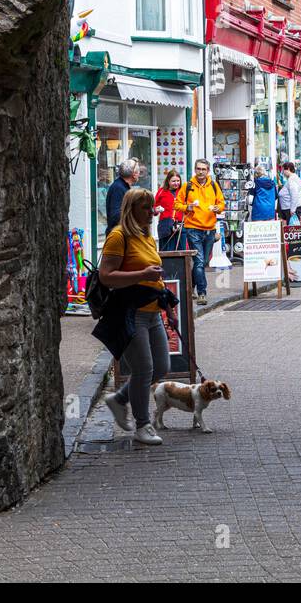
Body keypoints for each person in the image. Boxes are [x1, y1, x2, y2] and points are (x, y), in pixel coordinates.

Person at [97, 187, 168, 446]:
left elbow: (155, 274)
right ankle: (142, 425)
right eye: (145, 208)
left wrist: (166, 304)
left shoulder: (146, 235)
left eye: (152, 207)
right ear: (131, 210)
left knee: (162, 366)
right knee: (143, 369)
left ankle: (119, 399)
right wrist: (141, 275)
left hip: (152, 311)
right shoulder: (118, 236)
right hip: (130, 313)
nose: (152, 212)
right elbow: (106, 276)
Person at [174, 158, 225, 305]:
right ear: (195, 170)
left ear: (208, 171)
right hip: (193, 228)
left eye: (203, 169)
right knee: (199, 261)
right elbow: (176, 204)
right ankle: (202, 293)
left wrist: (218, 208)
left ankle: (190, 287)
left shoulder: (214, 185)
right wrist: (187, 207)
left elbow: (221, 202)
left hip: (209, 229)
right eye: (198, 169)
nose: (200, 172)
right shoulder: (187, 186)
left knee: (202, 263)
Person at [105, 158, 139, 235]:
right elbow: (116, 216)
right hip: (118, 236)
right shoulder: (118, 188)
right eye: (138, 171)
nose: (139, 174)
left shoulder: (123, 186)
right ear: (133, 174)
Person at [154, 169, 184, 251]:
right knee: (166, 251)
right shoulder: (161, 191)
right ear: (168, 181)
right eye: (173, 181)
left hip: (180, 225)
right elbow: (154, 207)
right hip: (165, 225)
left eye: (178, 181)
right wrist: (156, 210)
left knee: (181, 251)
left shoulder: (183, 192)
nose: (176, 183)